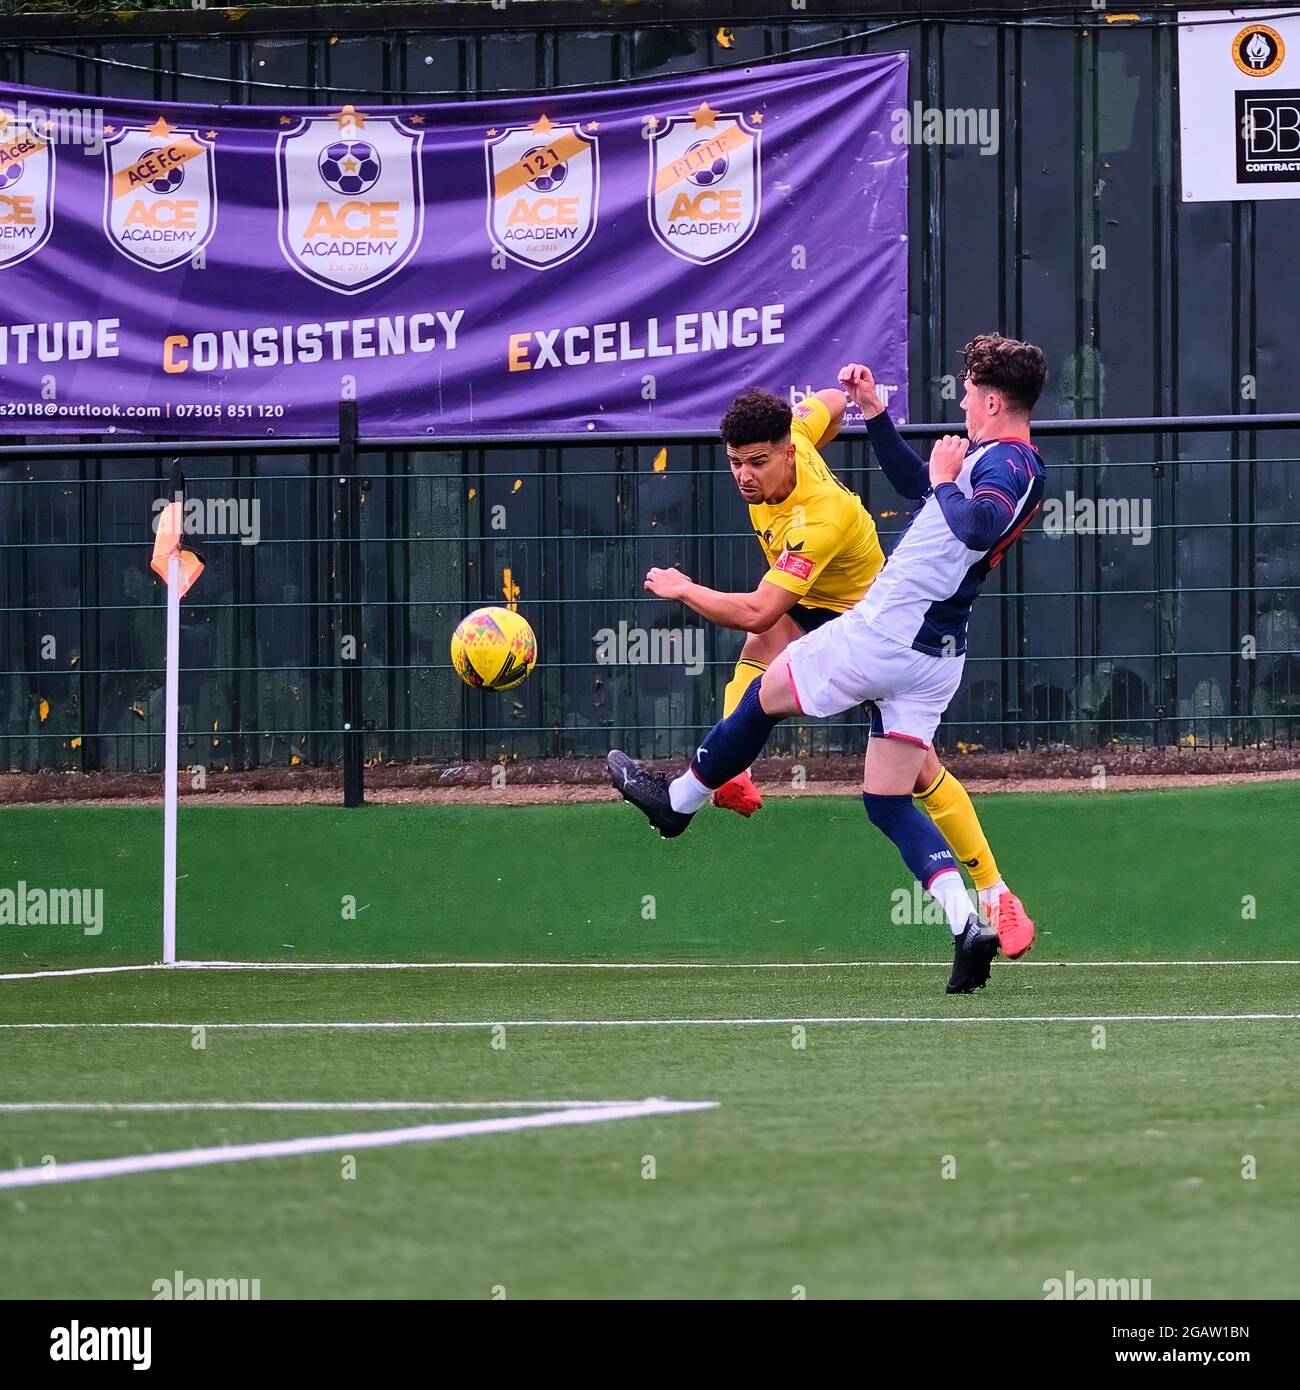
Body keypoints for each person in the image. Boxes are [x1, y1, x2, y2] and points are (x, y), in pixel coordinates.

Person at [609, 334, 1048, 993]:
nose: (959, 404)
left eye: (964, 394)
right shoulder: (989, 458)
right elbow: (916, 486)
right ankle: (969, 924)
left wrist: (943, 480)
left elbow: (976, 525)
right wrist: (873, 413)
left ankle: (679, 801)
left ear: (990, 401)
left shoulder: (1008, 466)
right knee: (886, 800)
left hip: (884, 634)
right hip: (933, 657)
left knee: (762, 695)